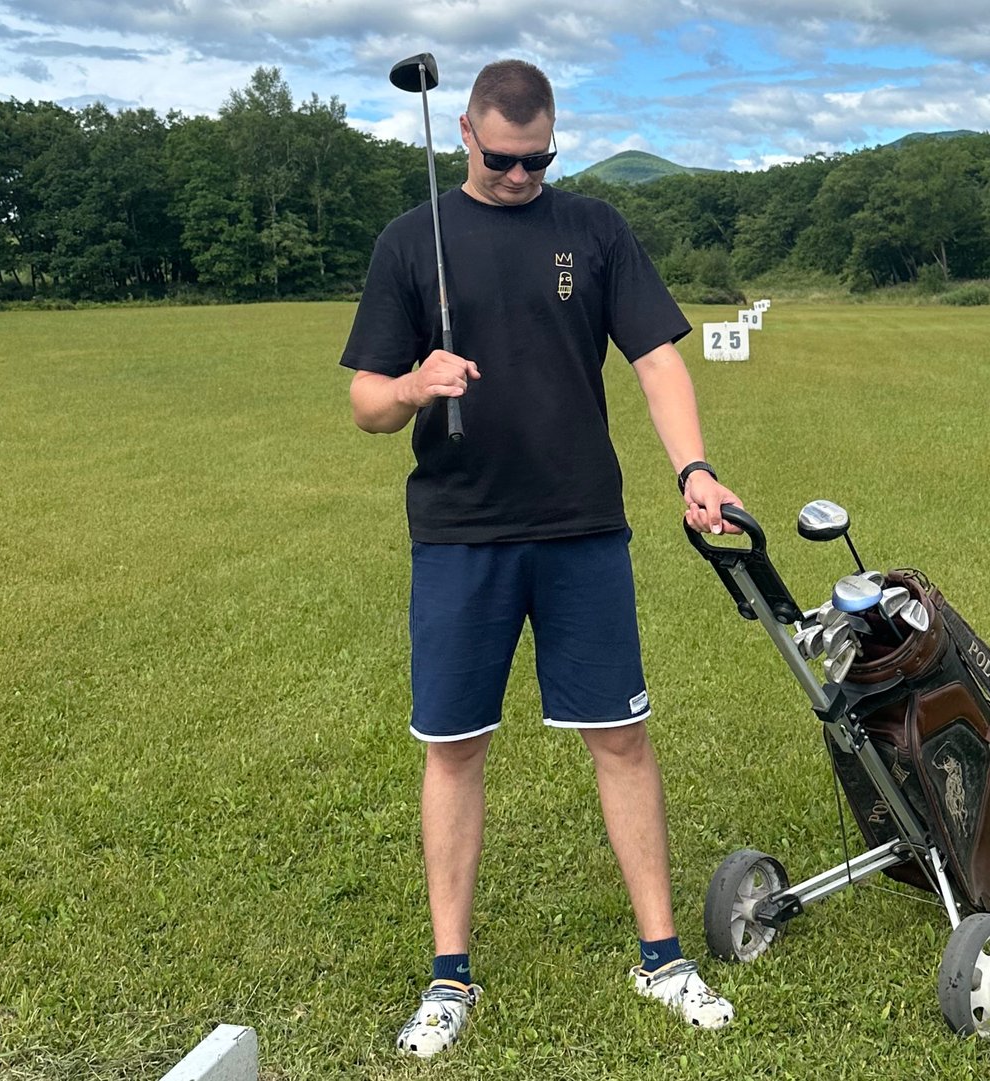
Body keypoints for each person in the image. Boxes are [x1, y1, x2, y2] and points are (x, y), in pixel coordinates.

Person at [340, 58, 744, 1058]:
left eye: (540, 160)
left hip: (581, 528)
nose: (522, 176)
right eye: (504, 160)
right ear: (465, 135)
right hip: (459, 534)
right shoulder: (411, 241)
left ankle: (662, 958)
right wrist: (414, 385)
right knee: (454, 747)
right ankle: (449, 975)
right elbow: (365, 404)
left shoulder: (594, 229)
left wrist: (694, 466)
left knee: (621, 737)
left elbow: (656, 357)